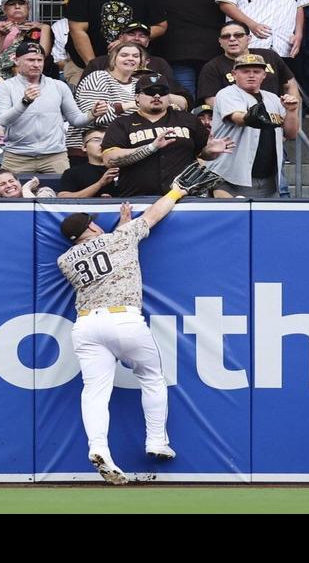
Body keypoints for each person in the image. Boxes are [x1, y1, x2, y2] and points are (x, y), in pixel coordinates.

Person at [57, 180, 202, 484]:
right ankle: (156, 441)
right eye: (93, 224)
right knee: (151, 377)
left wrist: (120, 229)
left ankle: (98, 448)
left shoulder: (64, 260)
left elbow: (97, 252)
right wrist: (176, 192)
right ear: (92, 229)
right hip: (124, 320)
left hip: (85, 325)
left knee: (95, 391)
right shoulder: (119, 238)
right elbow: (154, 214)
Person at [101, 72, 234, 197]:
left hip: (183, 197)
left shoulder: (188, 119)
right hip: (137, 198)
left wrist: (211, 152)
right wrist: (151, 148)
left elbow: (203, 154)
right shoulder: (122, 123)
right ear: (137, 96)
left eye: (162, 92)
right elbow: (109, 159)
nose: (157, 96)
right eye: (150, 92)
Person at [206, 52, 297, 196]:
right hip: (229, 177)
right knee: (233, 217)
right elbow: (238, 118)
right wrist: (251, 116)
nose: (251, 75)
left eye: (256, 71)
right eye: (245, 71)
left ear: (264, 75)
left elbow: (291, 134)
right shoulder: (227, 93)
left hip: (266, 178)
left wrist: (291, 111)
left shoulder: (273, 98)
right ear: (234, 74)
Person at [0, 40, 92, 173]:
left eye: (40, 60)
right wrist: (24, 102)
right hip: (17, 157)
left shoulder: (58, 86)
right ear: (16, 60)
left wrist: (93, 114)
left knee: (62, 193)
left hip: (55, 156)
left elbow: (76, 120)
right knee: (13, 193)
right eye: (30, 60)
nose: (36, 64)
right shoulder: (5, 87)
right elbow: (3, 121)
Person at [83, 20, 192, 109]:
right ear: (120, 38)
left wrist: (154, 95)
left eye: (142, 36)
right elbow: (84, 100)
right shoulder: (98, 63)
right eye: (131, 34)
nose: (136, 38)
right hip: (109, 115)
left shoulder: (159, 63)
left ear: (148, 41)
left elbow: (183, 98)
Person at [197, 19, 297, 107]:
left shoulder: (270, 56)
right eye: (226, 36)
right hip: (235, 122)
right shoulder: (212, 67)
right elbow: (211, 100)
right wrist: (240, 115)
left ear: (249, 39)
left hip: (275, 117)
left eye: (238, 35)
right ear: (220, 42)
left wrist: (291, 112)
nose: (232, 39)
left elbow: (290, 85)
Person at [0, 0, 48, 77]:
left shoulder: (40, 27)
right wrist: (1, 36)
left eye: (21, 3)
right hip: (1, 73)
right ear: (4, 9)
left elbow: (44, 54)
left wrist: (44, 27)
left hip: (35, 73)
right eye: (12, 4)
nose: (17, 6)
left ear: (28, 8)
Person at [57, 125, 116, 197]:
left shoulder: (122, 171)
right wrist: (99, 184)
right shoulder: (72, 173)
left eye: (107, 140)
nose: (102, 144)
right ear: (84, 147)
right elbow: (63, 197)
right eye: (96, 140)